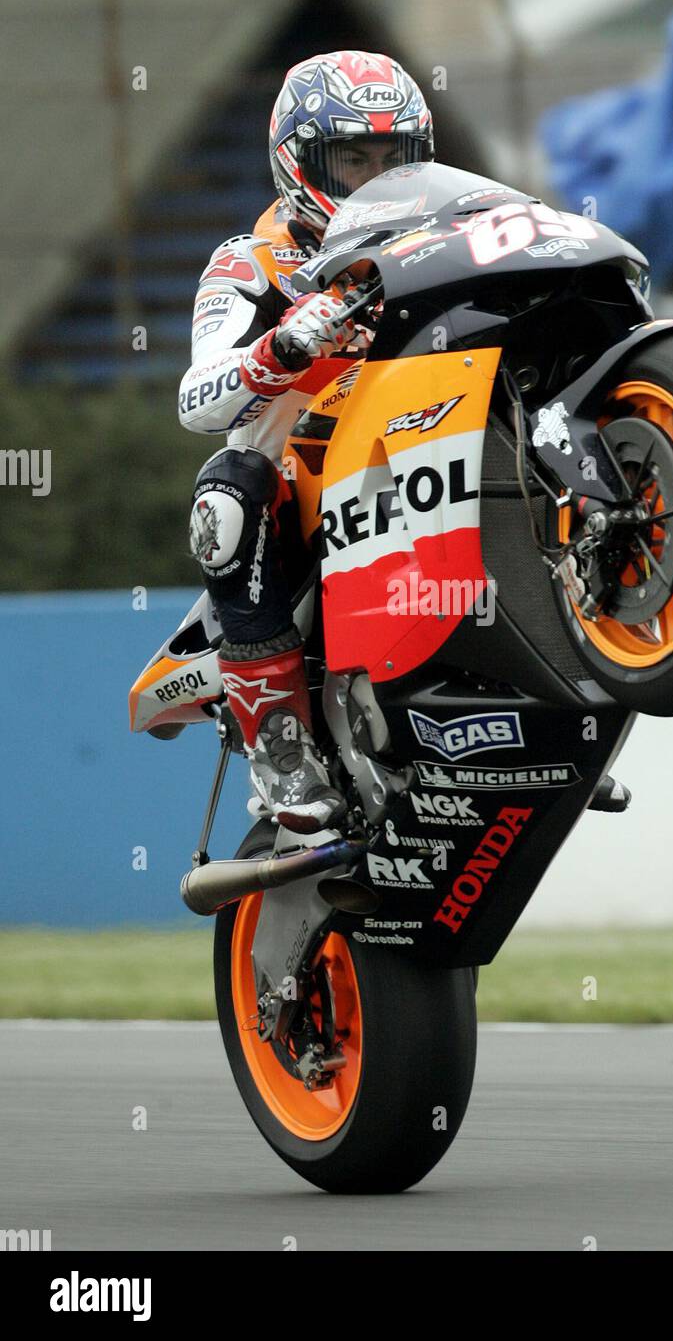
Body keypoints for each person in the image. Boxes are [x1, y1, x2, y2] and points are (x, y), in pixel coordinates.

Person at [179, 51, 434, 834]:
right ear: (300, 159)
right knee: (227, 493)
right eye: (356, 158)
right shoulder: (250, 260)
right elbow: (195, 400)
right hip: (307, 500)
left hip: (423, 464)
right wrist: (281, 349)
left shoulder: (439, 247)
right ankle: (280, 745)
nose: (377, 176)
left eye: (396, 159)